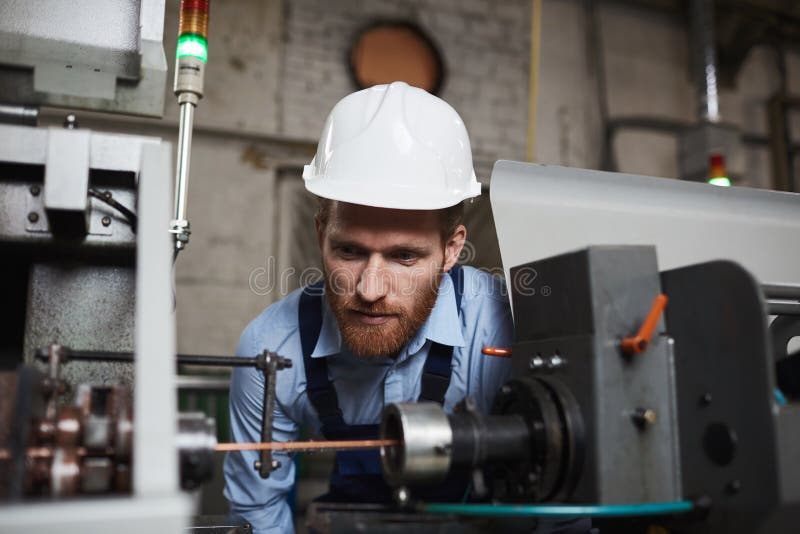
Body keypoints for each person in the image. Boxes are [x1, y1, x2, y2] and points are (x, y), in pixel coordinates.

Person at [224, 81, 526, 533]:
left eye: (405, 256)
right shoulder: (272, 350)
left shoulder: (503, 330)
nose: (369, 289)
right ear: (320, 234)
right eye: (349, 251)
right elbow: (258, 512)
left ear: (451, 249)